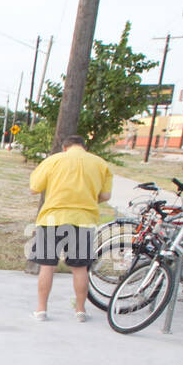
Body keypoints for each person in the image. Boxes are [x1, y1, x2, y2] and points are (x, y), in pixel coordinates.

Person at [27, 134, 112, 322]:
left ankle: (41, 310)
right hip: (83, 219)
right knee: (80, 268)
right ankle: (80, 311)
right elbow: (106, 195)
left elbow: (34, 188)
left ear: (65, 148)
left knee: (47, 266)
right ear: (84, 148)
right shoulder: (99, 164)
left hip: (51, 219)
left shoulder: (53, 161)